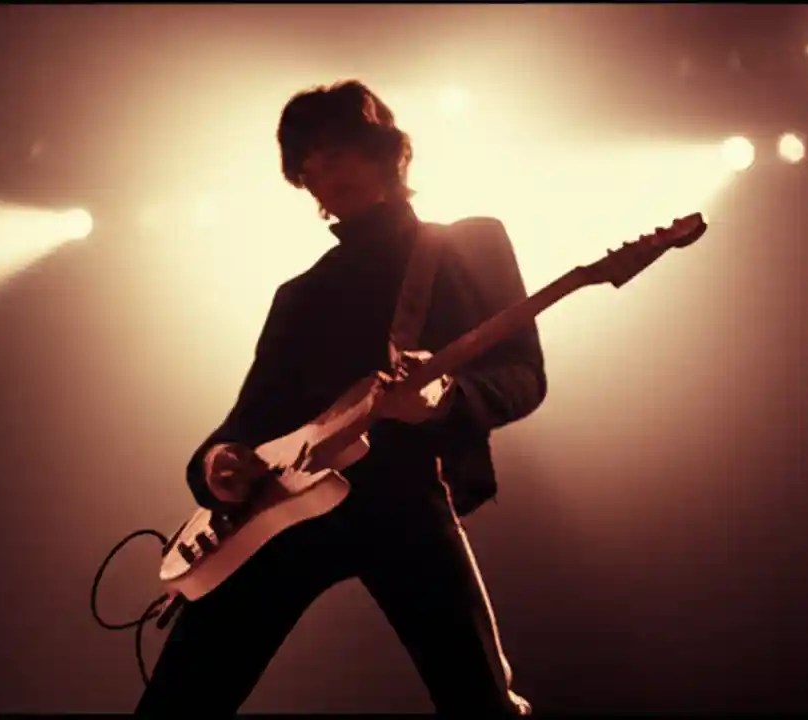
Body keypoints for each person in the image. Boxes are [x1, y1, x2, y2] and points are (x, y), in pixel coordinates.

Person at [136, 79, 546, 716]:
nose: (326, 175)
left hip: (404, 500)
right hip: (283, 515)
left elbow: (523, 375)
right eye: (310, 166)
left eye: (338, 152)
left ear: (385, 152)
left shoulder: (466, 244)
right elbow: (248, 420)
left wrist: (446, 397)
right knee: (177, 703)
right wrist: (217, 463)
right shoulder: (298, 295)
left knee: (479, 704)